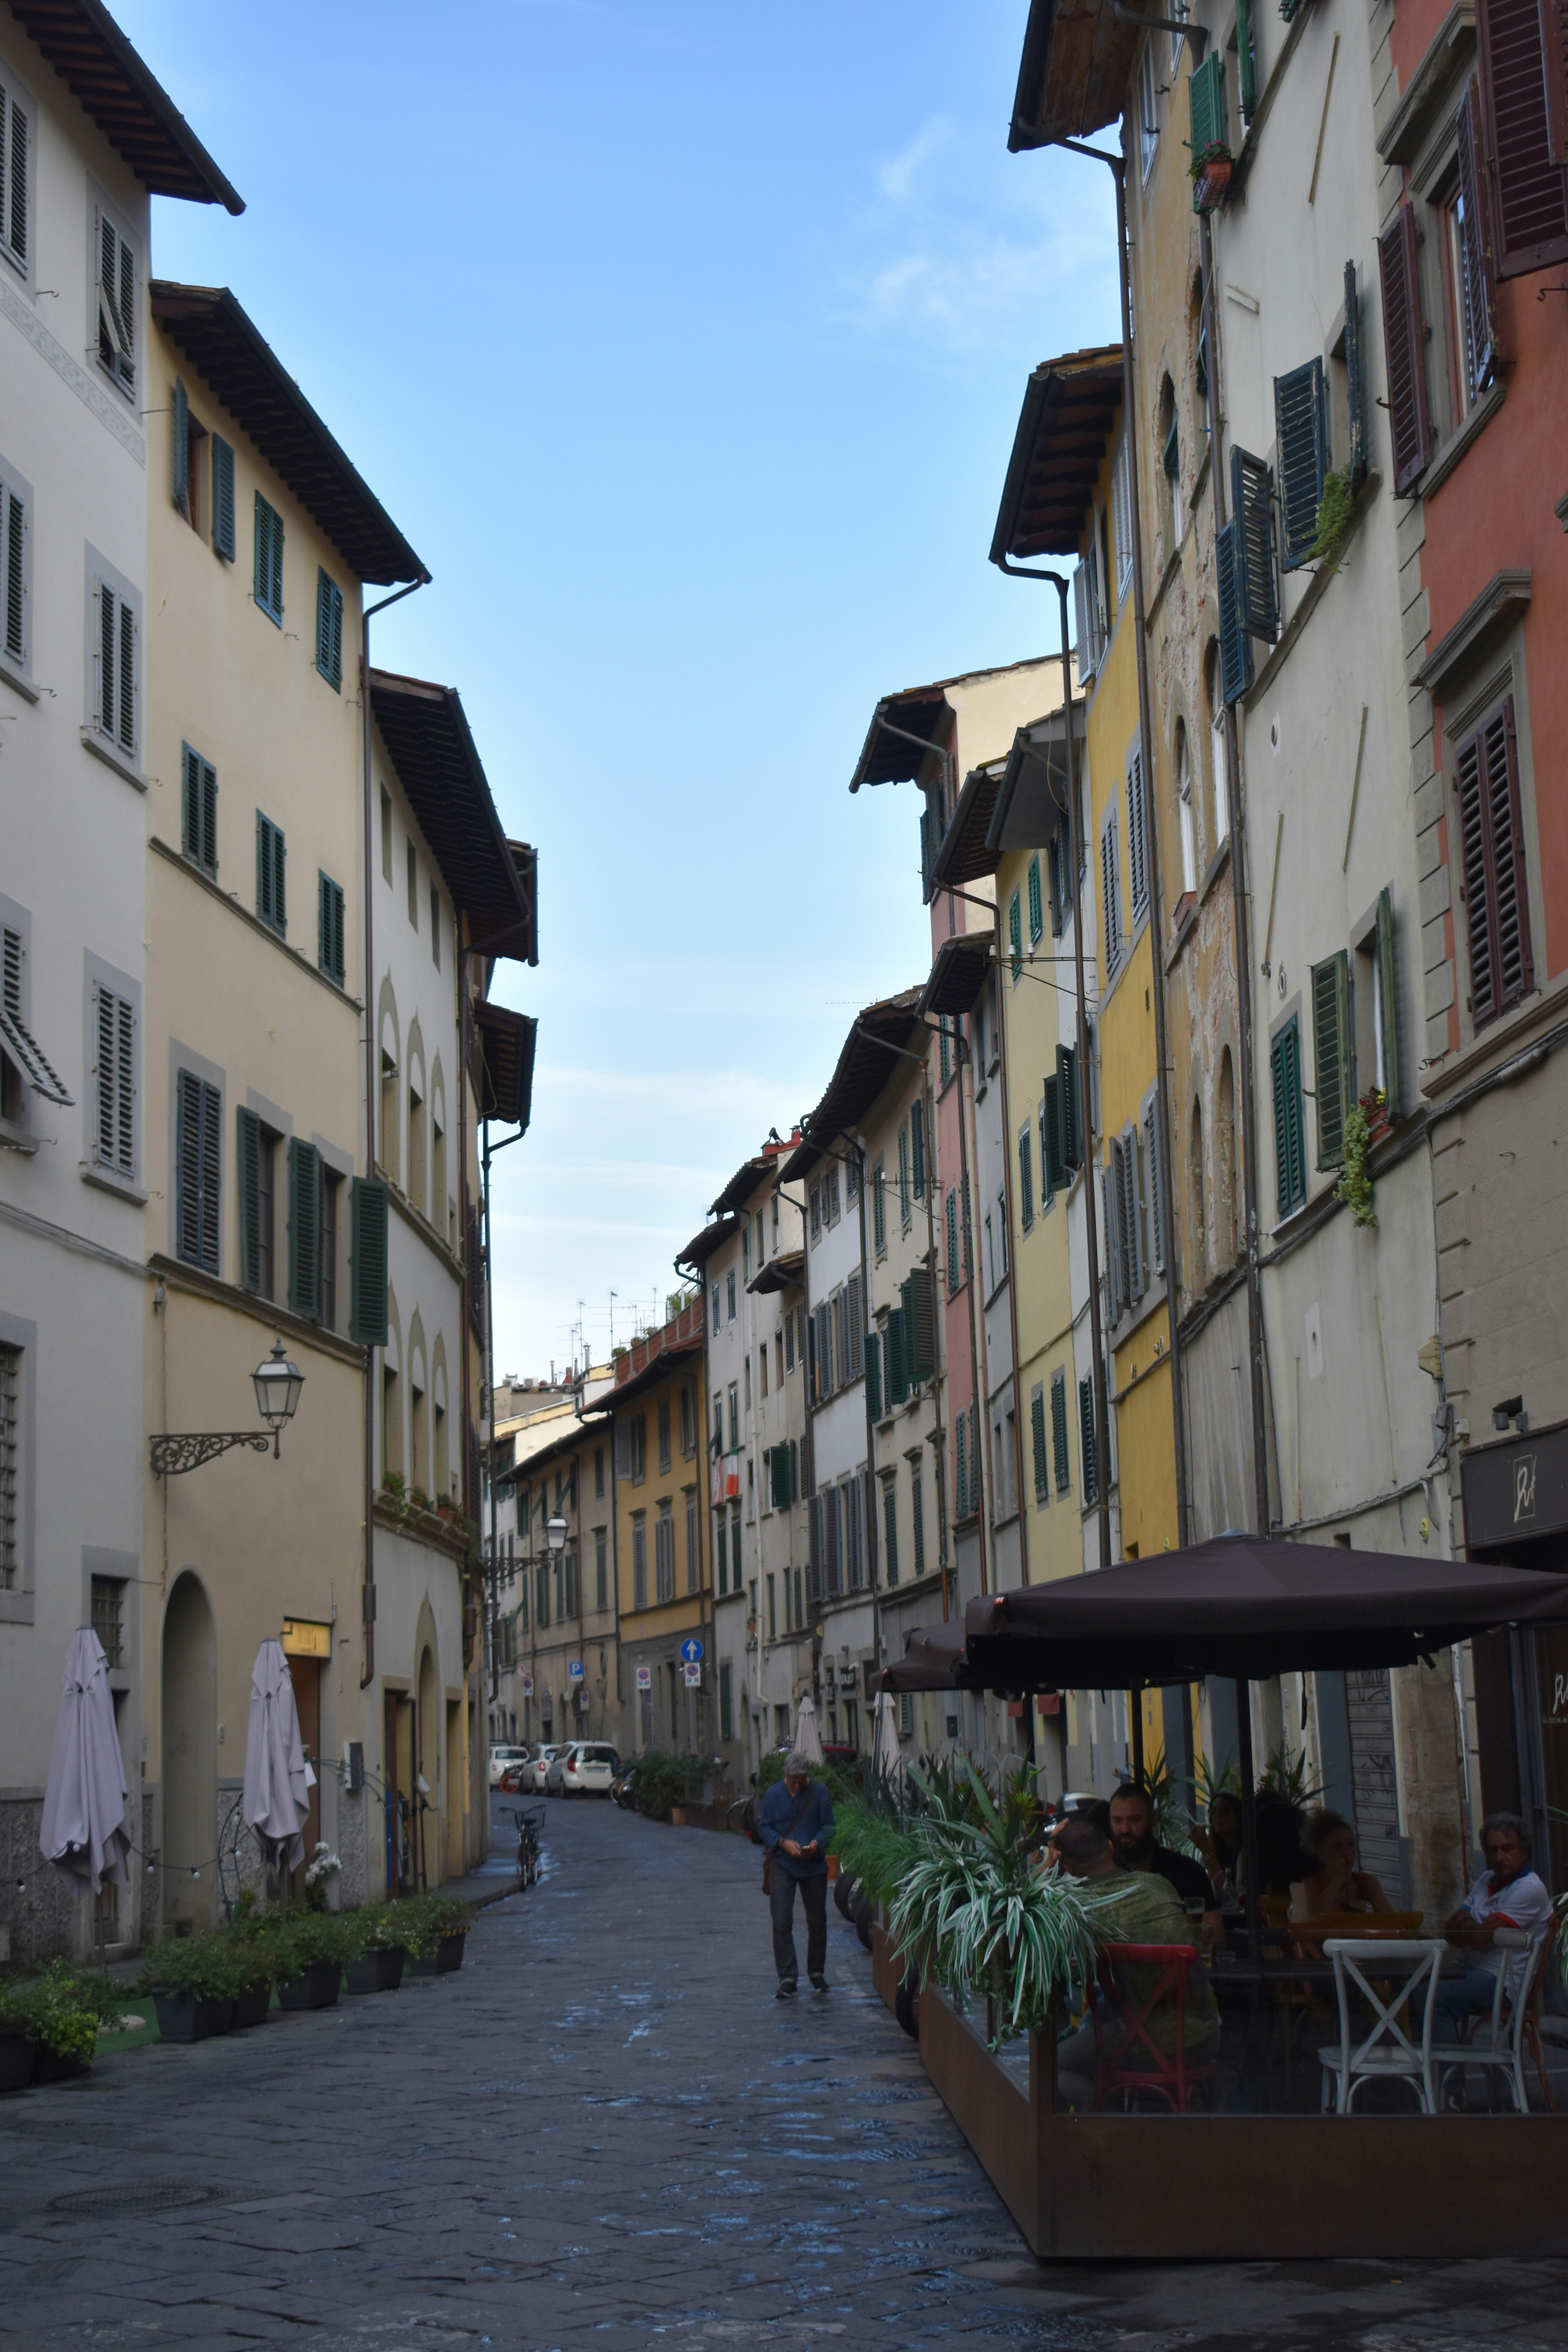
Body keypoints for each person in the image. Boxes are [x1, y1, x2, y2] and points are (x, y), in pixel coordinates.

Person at [1050, 1814, 1221, 2109]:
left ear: (1068, 1868)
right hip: (1205, 2034)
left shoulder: (1080, 1909)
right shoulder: (1158, 1885)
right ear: (1110, 1846)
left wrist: (1045, 1870)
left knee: (1053, 2064)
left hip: (1143, 2044)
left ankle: (1111, 2128)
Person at [1432, 1811, 1553, 2042]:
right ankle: (1427, 2068)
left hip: (1502, 1982)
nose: (1499, 1857)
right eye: (1492, 1850)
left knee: (1434, 2000)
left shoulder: (1528, 1888)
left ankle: (1449, 2077)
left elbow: (1482, 1939)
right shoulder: (1487, 1879)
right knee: (1410, 1989)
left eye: (1508, 1849)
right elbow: (1450, 1930)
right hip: (1469, 1968)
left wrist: (1468, 1926)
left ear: (1525, 1853)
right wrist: (1476, 1928)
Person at [1108, 1784, 1225, 1952]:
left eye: (1135, 1820)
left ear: (1153, 1818)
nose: (1125, 1830)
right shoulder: (1104, 1873)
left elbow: (1217, 1938)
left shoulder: (1186, 1871)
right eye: (1118, 1821)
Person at [757, 1751, 834, 2000]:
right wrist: (782, 1842)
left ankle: (816, 1972)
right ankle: (788, 1977)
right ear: (785, 1776)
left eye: (801, 1780)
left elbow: (829, 1826)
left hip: (813, 1865)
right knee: (781, 1922)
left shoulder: (819, 1793)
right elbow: (764, 1827)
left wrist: (816, 1842)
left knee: (817, 1922)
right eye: (793, 1781)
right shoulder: (773, 1795)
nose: (798, 1785)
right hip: (783, 1864)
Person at [1288, 1808, 1391, 1919]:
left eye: (1351, 1845)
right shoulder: (1311, 1884)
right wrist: (1336, 1880)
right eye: (1338, 1846)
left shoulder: (1366, 1882)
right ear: (1320, 1850)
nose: (1347, 1853)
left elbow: (1390, 1918)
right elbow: (1314, 1917)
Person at [1192, 1791, 1243, 1900]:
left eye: (1226, 1809)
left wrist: (1207, 1851)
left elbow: (1232, 1899)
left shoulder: (1247, 1853)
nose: (1218, 1815)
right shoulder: (1221, 1853)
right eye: (1214, 1811)